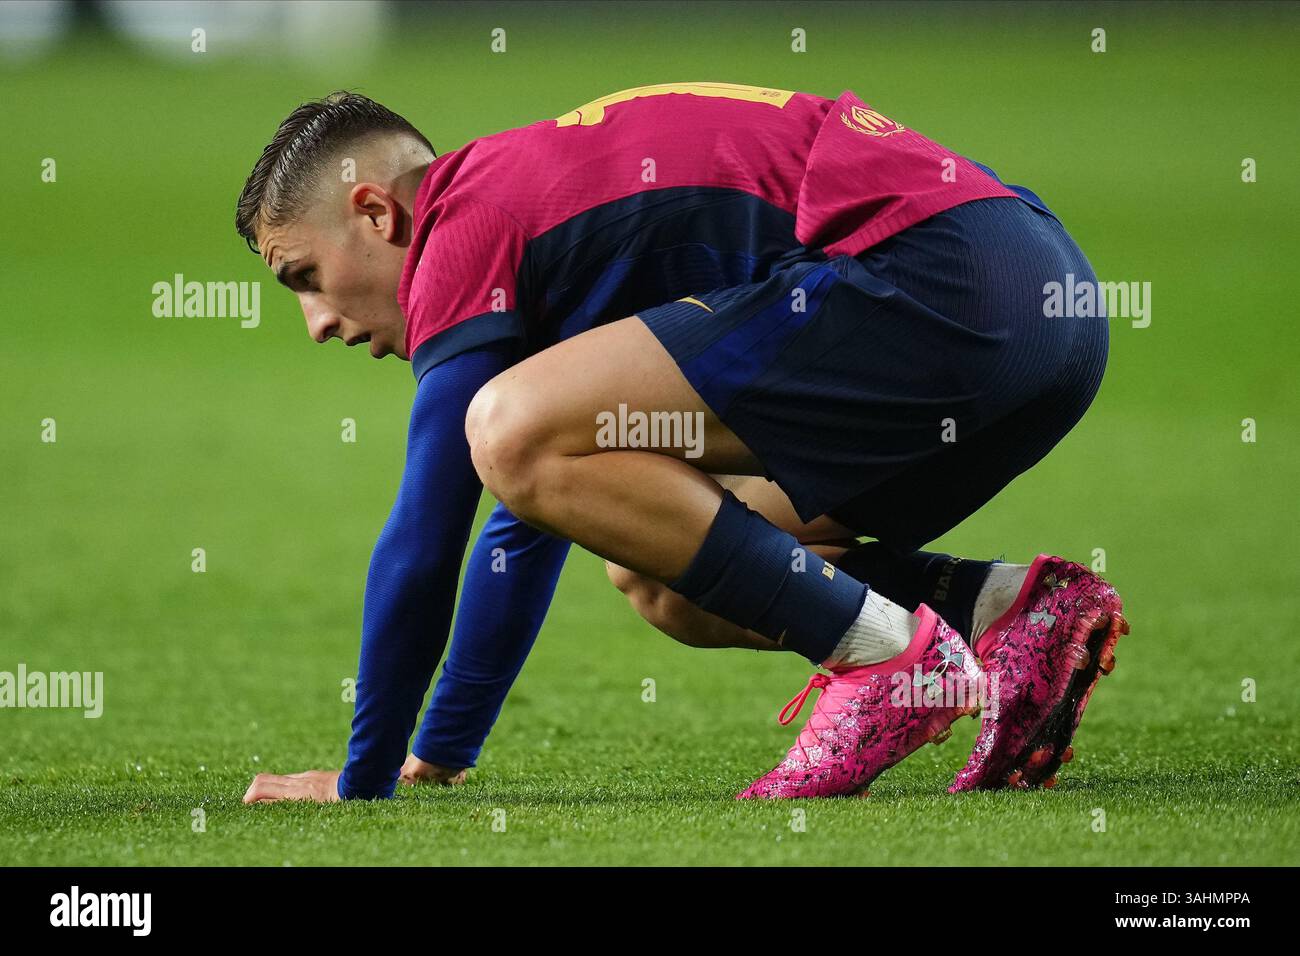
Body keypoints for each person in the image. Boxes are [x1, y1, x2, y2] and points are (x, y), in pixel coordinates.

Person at [236, 83, 1125, 804]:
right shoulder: (533, 214)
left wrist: (361, 784)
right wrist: (435, 754)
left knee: (504, 429)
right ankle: (1006, 610)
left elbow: (427, 537)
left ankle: (881, 656)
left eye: (305, 278)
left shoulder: (463, 228)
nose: (316, 322)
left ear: (376, 213)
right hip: (1049, 312)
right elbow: (525, 521)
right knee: (664, 576)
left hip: (940, 279)